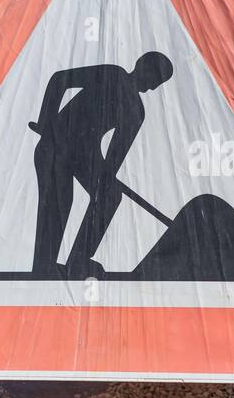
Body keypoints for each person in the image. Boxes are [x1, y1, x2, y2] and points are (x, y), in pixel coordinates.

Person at [28, 51, 174, 278]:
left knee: (110, 195)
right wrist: (46, 121)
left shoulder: (137, 112)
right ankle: (42, 266)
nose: (153, 86)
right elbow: (59, 80)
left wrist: (107, 177)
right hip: (56, 143)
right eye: (154, 77)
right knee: (59, 201)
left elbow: (115, 157)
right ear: (141, 64)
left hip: (84, 155)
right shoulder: (111, 74)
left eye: (158, 82)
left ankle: (78, 259)